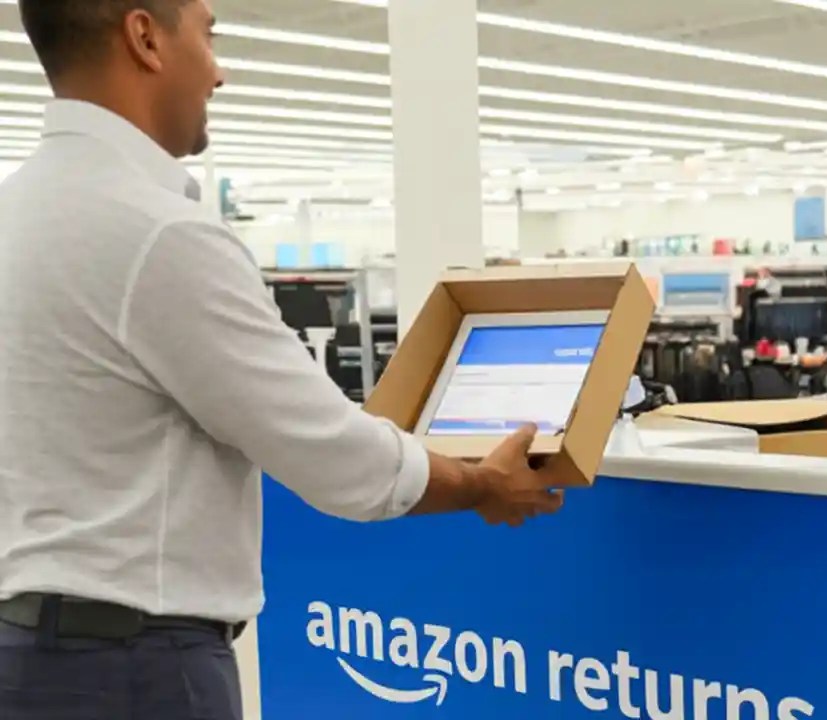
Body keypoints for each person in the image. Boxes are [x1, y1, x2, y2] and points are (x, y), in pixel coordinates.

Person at [0, 1, 565, 718]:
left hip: (28, 659)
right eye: (208, 35)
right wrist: (481, 484)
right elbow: (333, 456)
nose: (220, 73)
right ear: (146, 38)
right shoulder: (160, 233)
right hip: (136, 672)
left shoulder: (16, 211)